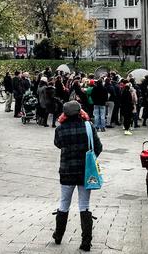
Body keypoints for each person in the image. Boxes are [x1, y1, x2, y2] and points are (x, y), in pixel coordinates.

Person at [53, 100, 103, 251]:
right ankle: (86, 242)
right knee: (84, 205)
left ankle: (58, 235)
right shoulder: (89, 126)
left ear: (64, 114)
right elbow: (98, 147)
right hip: (85, 172)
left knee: (64, 203)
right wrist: (90, 159)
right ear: (81, 111)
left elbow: (58, 144)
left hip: (67, 171)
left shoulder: (60, 129)